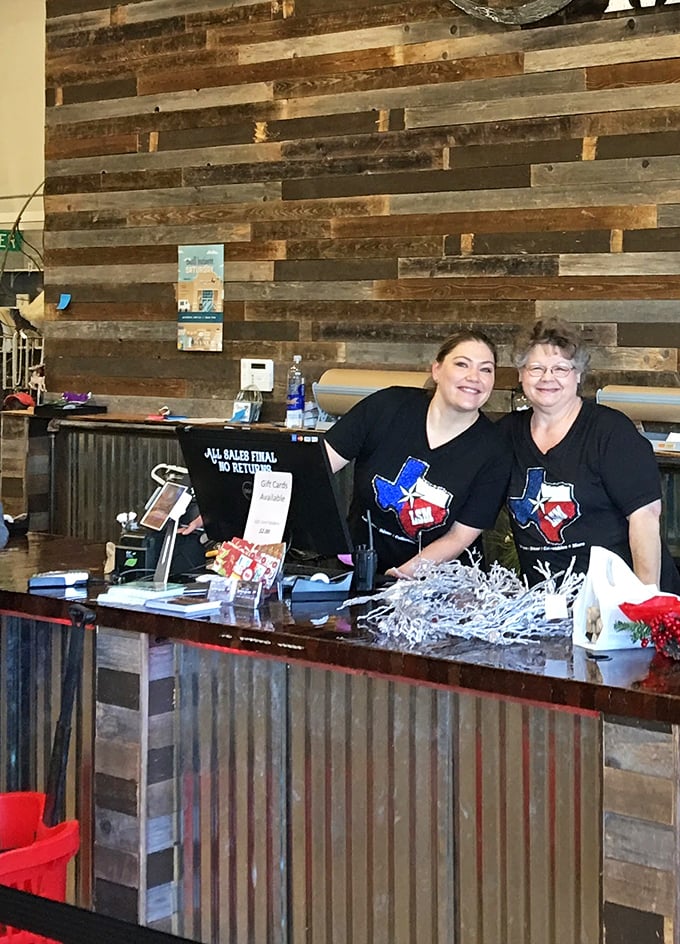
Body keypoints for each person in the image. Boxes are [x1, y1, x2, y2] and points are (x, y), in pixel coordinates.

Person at [498, 319, 680, 592]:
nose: (547, 377)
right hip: (544, 603)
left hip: (617, 598)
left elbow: (644, 518)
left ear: (578, 374)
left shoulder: (611, 432)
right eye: (536, 368)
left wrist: (644, 602)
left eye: (561, 368)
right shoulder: (505, 435)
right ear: (521, 374)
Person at [324, 330, 511, 578]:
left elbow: (459, 537)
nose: (474, 377)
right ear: (436, 370)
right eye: (462, 364)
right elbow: (319, 467)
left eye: (485, 369)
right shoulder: (387, 407)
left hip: (439, 586)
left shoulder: (495, 450)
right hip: (359, 570)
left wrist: (399, 578)